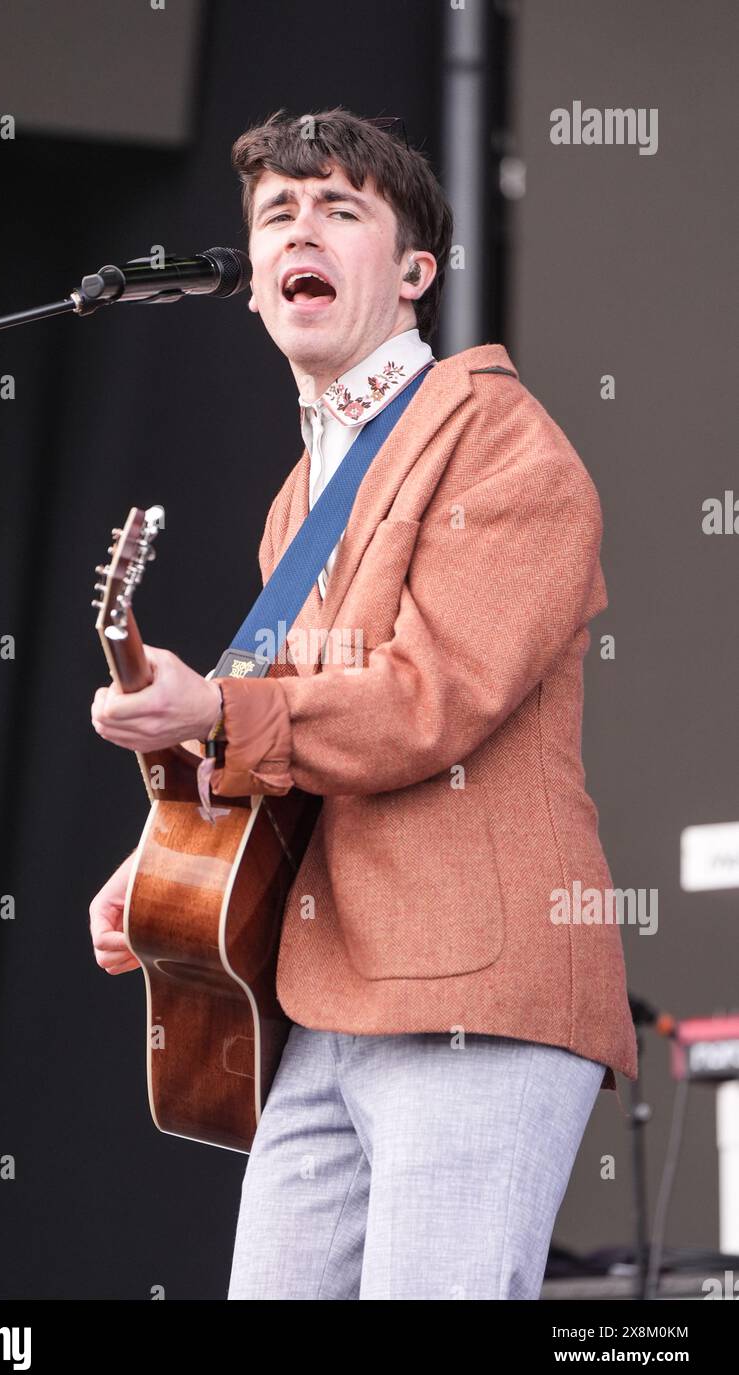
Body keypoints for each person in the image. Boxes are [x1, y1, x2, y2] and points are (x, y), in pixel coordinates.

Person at [89, 107, 637, 1300]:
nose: (302, 227)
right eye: (278, 211)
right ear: (252, 288)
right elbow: (290, 751)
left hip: (473, 994)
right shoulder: (297, 502)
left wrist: (217, 715)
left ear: (412, 274)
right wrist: (159, 855)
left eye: (341, 209)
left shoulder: (498, 437)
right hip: (322, 1005)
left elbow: (428, 700)